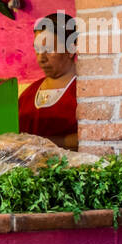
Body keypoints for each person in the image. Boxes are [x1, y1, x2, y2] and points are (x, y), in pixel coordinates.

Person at [19, 11, 79, 150]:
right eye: (38, 50)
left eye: (49, 49)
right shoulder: (28, 95)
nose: (41, 58)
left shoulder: (84, 92)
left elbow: (92, 139)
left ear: (71, 49)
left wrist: (42, 144)